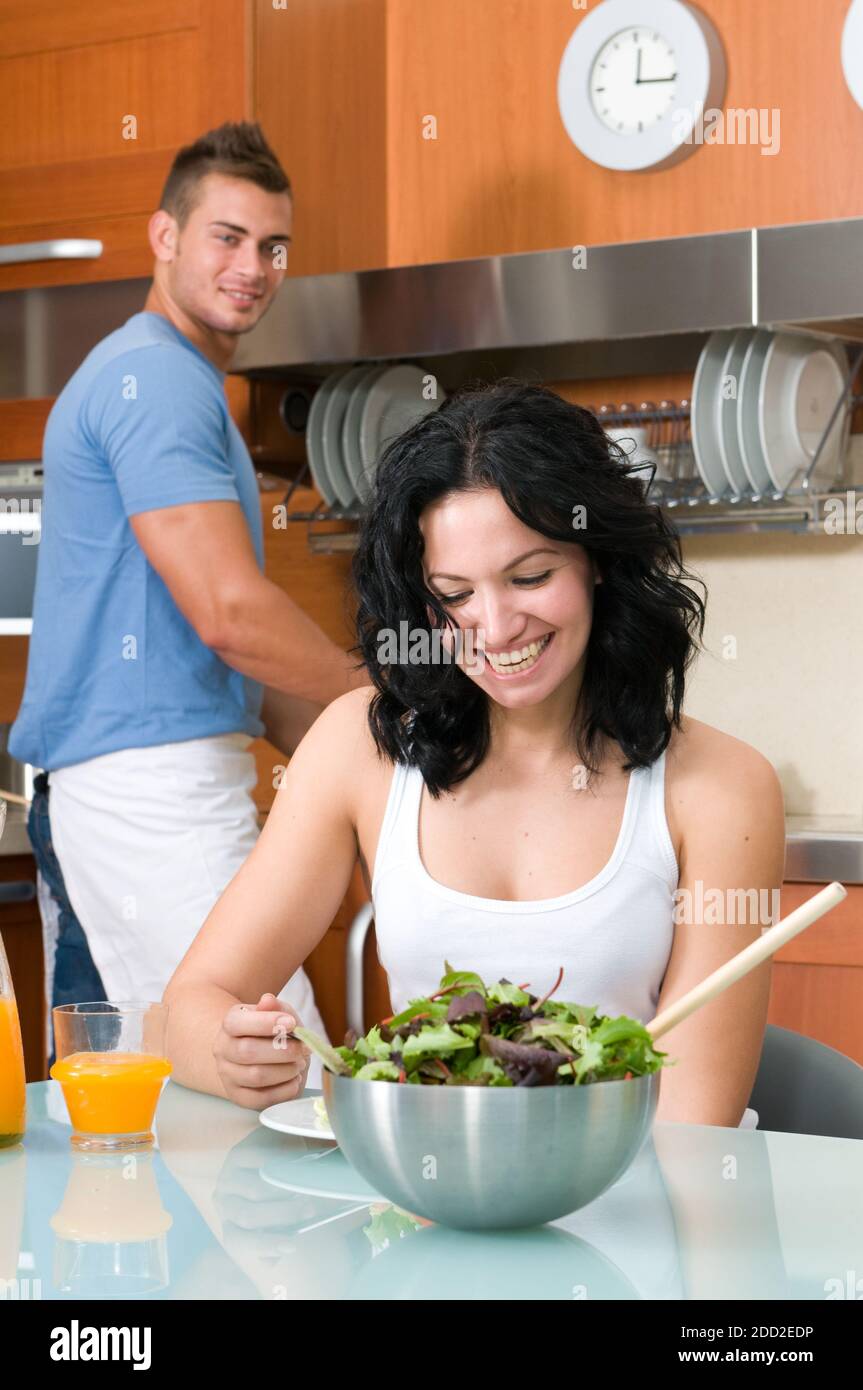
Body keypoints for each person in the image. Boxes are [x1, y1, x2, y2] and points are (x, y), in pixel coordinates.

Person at [162, 381, 785, 1127]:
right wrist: (227, 1052)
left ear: (596, 563)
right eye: (453, 595)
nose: (492, 627)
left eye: (530, 577)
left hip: (635, 1212)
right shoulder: (356, 748)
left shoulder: (719, 788)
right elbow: (183, 1011)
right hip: (431, 1202)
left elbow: (689, 1129)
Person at [10, 122, 367, 1080]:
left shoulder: (168, 379)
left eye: (273, 246)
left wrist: (383, 750)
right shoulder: (158, 378)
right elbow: (229, 614)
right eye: (226, 236)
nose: (253, 266)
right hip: (148, 796)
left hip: (122, 789)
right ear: (163, 236)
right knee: (278, 1081)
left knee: (134, 1100)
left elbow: (226, 658)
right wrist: (391, 702)